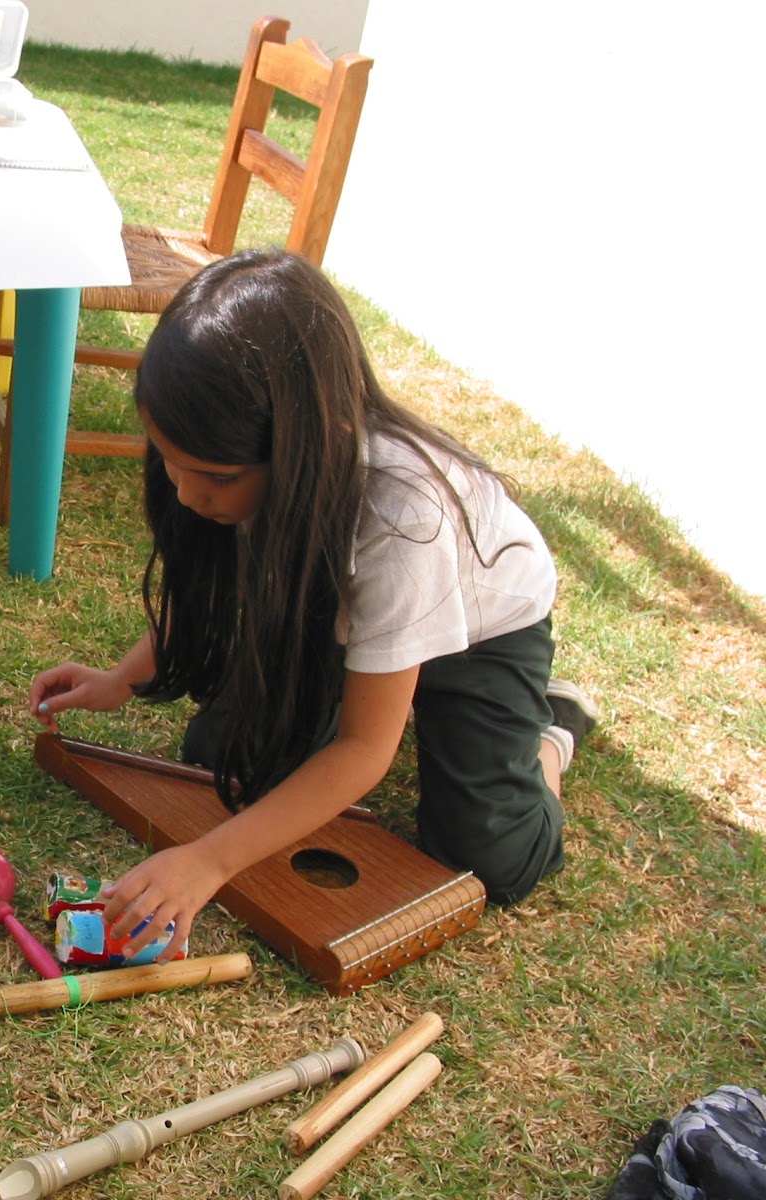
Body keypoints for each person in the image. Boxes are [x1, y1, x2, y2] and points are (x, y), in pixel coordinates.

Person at [29, 249, 598, 959]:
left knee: (491, 857)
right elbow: (211, 586)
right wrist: (123, 677)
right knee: (222, 762)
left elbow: (366, 750)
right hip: (345, 608)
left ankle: (551, 732)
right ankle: (392, 686)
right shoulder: (235, 464)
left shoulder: (404, 520)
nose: (182, 491)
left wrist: (206, 862)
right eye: (168, 460)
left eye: (211, 476)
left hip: (479, 631)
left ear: (300, 449)